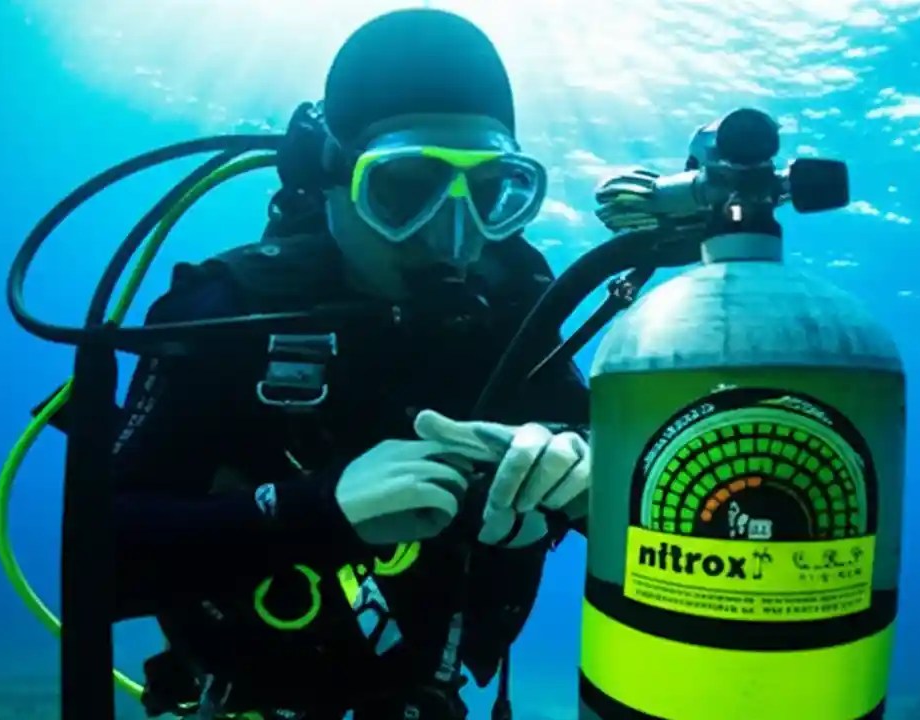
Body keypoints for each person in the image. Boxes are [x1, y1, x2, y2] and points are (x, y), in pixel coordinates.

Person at [99, 9, 592, 720]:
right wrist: (313, 510)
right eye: (402, 189)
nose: (452, 238)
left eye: (489, 193)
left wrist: (589, 481)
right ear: (328, 178)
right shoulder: (228, 313)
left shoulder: (516, 316)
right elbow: (99, 557)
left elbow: (652, 507)